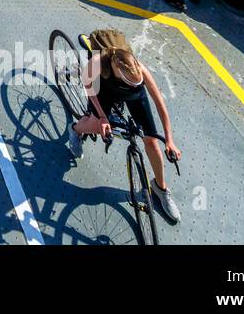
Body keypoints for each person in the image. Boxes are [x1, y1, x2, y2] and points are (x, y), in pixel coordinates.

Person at [67, 28, 183, 224]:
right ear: (117, 72)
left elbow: (160, 105)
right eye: (132, 81)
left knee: (152, 142)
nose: (137, 82)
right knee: (96, 125)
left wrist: (170, 141)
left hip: (134, 96)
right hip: (105, 90)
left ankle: (161, 189)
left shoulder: (140, 71)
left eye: (138, 81)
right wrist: (102, 117)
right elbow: (88, 87)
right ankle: (75, 130)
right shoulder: (98, 64)